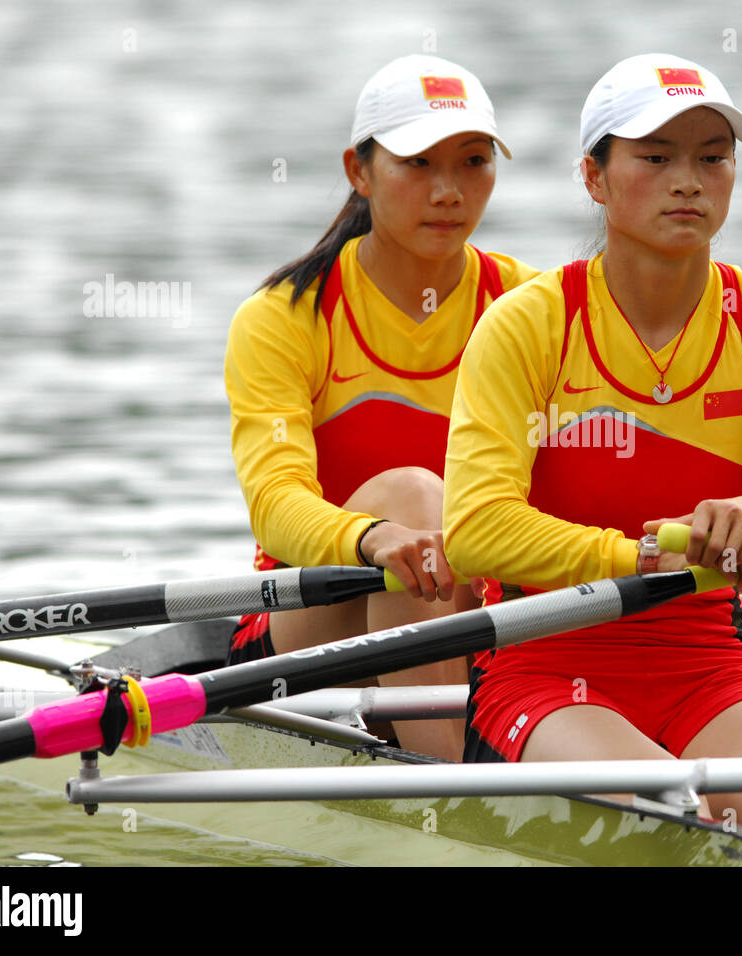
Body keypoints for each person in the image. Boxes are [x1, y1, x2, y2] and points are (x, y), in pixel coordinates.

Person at [442, 54, 742, 856]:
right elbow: (476, 531)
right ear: (594, 177)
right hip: (545, 664)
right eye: (655, 158)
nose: (688, 181)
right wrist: (639, 557)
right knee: (668, 816)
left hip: (709, 664)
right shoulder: (527, 325)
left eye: (712, 158)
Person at [224, 55, 537, 761]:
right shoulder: (284, 318)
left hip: (479, 611)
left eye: (473, 161)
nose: (448, 192)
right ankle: (456, 786)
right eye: (417, 163)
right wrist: (372, 538)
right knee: (415, 500)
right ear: (359, 172)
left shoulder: (532, 308)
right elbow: (276, 503)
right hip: (309, 636)